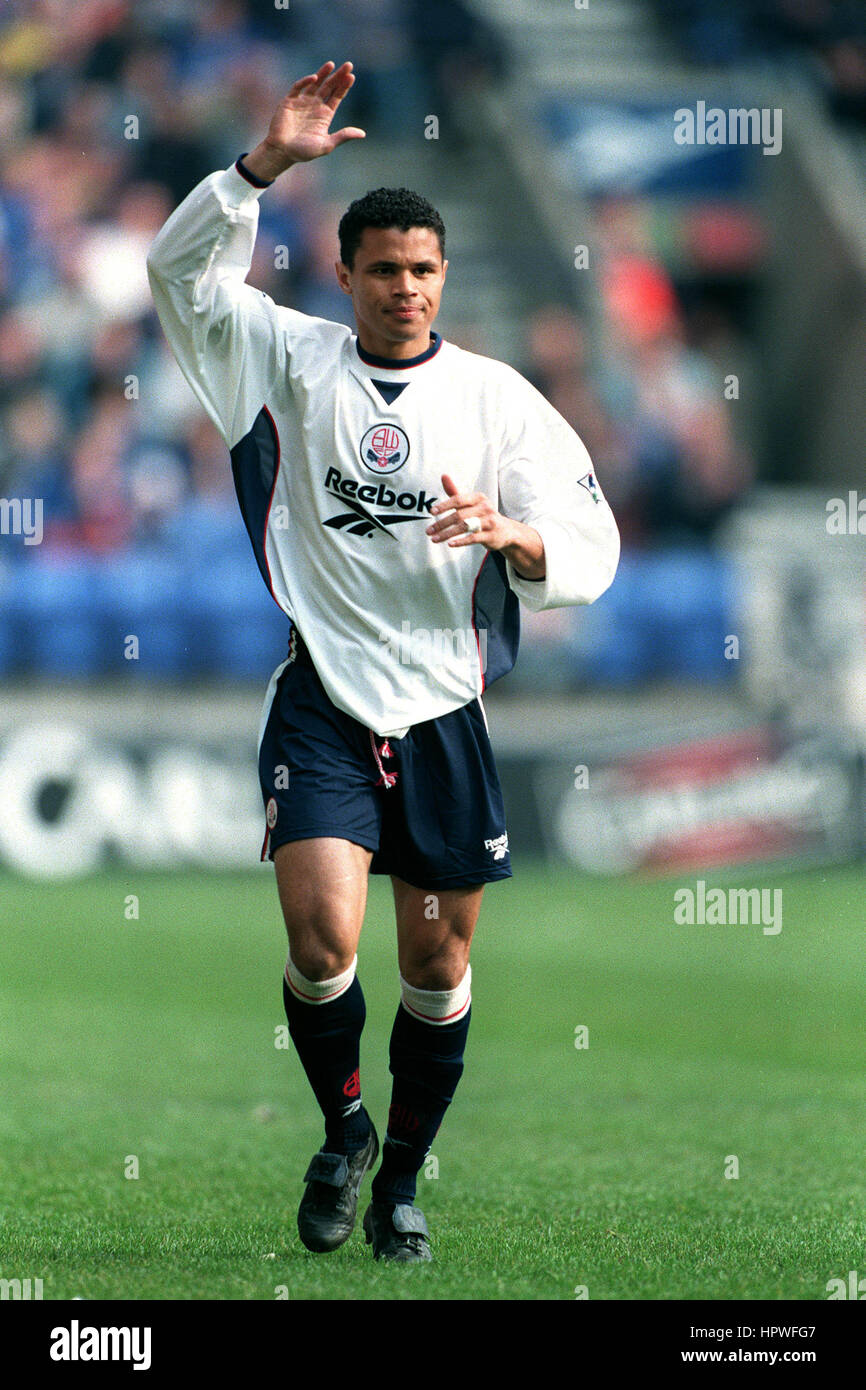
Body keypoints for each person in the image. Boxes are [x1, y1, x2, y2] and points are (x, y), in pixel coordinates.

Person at [147, 60, 620, 1264]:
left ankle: (400, 1179)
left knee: (436, 961)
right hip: (320, 695)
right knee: (319, 947)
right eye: (382, 269)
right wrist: (257, 172)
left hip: (444, 708)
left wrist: (517, 537)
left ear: (442, 277)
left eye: (422, 269)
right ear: (346, 274)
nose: (404, 288)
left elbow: (591, 540)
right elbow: (178, 274)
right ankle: (345, 1129)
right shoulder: (287, 361)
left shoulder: (496, 399)